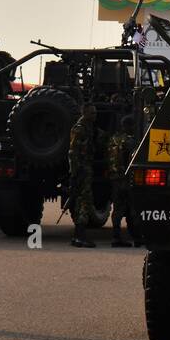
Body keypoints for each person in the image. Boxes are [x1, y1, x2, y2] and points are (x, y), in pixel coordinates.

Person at [68, 104, 99, 247]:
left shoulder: (88, 127)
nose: (95, 115)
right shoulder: (79, 129)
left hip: (85, 168)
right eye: (92, 113)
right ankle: (80, 236)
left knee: (82, 201)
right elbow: (73, 153)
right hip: (82, 170)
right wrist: (76, 173)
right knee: (85, 201)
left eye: (95, 113)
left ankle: (78, 236)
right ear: (84, 113)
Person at [106, 115, 137, 247]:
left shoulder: (113, 139)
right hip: (126, 179)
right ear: (129, 126)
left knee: (117, 208)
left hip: (115, 178)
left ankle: (116, 236)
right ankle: (136, 236)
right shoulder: (130, 142)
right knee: (132, 208)